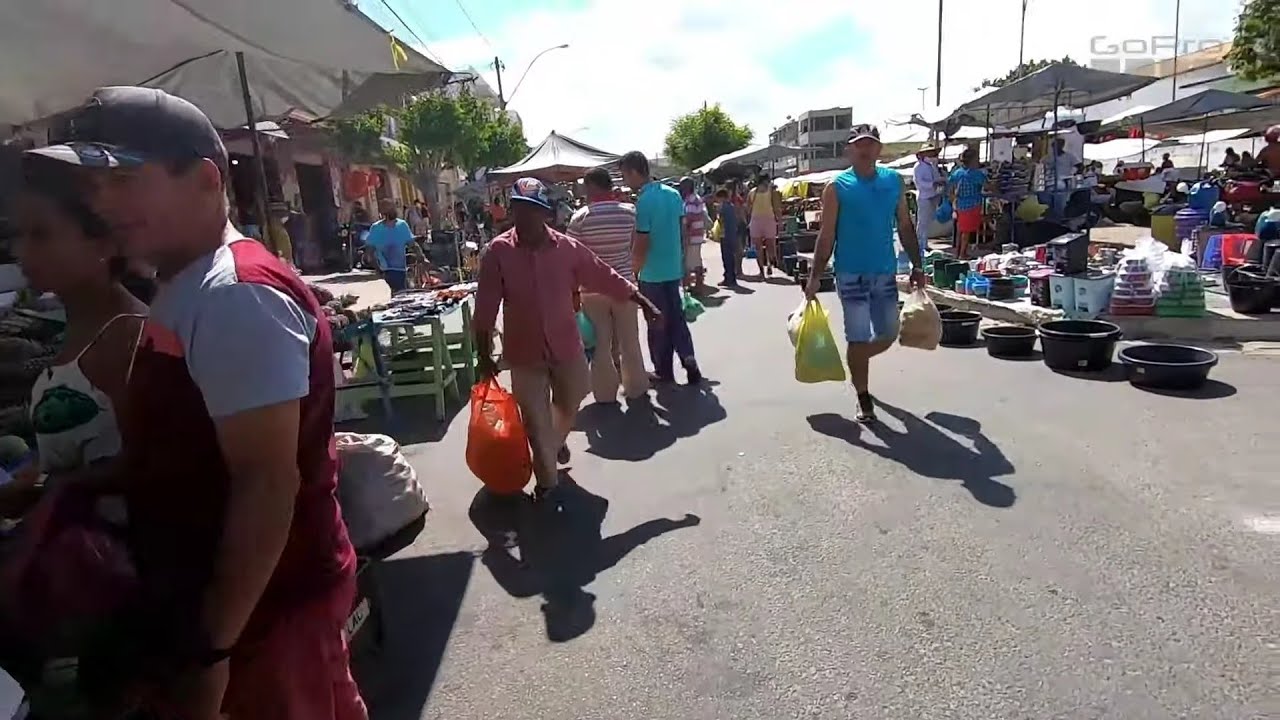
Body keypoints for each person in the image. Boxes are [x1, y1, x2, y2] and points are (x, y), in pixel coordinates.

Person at [29, 86, 364, 719]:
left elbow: (266, 485)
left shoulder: (233, 294)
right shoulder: (184, 285)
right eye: (93, 187)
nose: (102, 203)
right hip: (231, 607)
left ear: (206, 180)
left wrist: (214, 652)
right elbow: (191, 449)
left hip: (266, 616)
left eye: (124, 179)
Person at [473, 178, 661, 503]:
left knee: (572, 400)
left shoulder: (567, 249)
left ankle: (555, 440)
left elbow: (604, 275)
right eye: (519, 209)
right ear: (512, 211)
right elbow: (486, 306)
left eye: (533, 210)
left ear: (546, 213)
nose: (526, 218)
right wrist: (483, 354)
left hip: (566, 347)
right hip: (524, 353)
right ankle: (547, 482)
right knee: (534, 420)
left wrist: (643, 301)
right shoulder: (498, 253)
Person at [0, 155, 149, 520]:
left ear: (104, 245)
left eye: (41, 235)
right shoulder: (80, 323)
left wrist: (44, 488)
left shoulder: (128, 335)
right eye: (18, 235)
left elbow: (150, 463)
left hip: (108, 557)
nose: (21, 252)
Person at [804, 124, 925, 423]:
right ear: (850, 149)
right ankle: (862, 396)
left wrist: (917, 265)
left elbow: (906, 226)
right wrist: (815, 275)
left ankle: (857, 361)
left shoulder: (894, 181)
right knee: (857, 337)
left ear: (879, 149)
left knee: (889, 333)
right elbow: (826, 234)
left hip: (884, 272)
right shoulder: (837, 187)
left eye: (870, 144)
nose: (865, 149)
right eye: (859, 144)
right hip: (850, 274)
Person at [618, 151, 702, 385]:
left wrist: (635, 270)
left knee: (657, 322)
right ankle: (688, 357)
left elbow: (643, 241)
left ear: (635, 172)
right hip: (673, 268)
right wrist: (684, 262)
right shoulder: (673, 195)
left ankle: (663, 370)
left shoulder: (644, 201)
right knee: (677, 318)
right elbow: (682, 230)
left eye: (625, 175)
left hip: (651, 273)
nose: (625, 181)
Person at [567, 167, 649, 404]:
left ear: (592, 186)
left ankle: (604, 394)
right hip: (625, 286)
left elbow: (573, 259)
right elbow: (635, 245)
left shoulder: (580, 218)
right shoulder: (629, 212)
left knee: (601, 344)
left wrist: (573, 291)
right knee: (629, 341)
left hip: (592, 290)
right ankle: (635, 387)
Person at [365, 197, 416, 293]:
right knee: (399, 294)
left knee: (402, 294)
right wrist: (378, 269)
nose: (394, 210)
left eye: (393, 207)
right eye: (391, 208)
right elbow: (369, 253)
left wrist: (422, 258)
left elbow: (412, 244)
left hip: (401, 269)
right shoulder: (376, 228)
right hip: (387, 270)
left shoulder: (402, 225)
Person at [948, 148, 988, 260]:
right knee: (966, 232)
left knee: (961, 230)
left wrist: (953, 199)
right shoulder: (975, 174)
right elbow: (987, 185)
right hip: (972, 204)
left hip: (960, 204)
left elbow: (950, 186)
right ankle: (962, 254)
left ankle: (958, 252)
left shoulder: (957, 173)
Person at [911, 144, 945, 256]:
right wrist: (933, 184)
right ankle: (920, 244)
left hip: (933, 195)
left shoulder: (931, 166)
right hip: (924, 196)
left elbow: (936, 178)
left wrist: (941, 180)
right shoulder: (918, 167)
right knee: (922, 222)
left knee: (928, 221)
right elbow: (919, 183)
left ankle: (924, 243)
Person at [746, 173, 782, 277]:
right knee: (767, 245)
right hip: (767, 220)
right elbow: (777, 208)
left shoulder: (755, 193)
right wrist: (779, 221)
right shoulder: (758, 192)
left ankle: (765, 268)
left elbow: (748, 209)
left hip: (758, 220)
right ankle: (765, 267)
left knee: (763, 247)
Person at [679, 177, 709, 293]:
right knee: (696, 260)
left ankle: (698, 284)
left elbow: (688, 219)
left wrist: (685, 236)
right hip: (697, 233)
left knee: (693, 261)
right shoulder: (695, 198)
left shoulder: (691, 200)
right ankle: (697, 283)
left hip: (692, 234)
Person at [714, 188, 739, 288]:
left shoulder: (723, 207)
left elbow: (720, 220)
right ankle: (731, 277)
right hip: (732, 234)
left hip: (725, 234)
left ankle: (728, 278)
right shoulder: (731, 206)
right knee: (731, 257)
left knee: (726, 258)